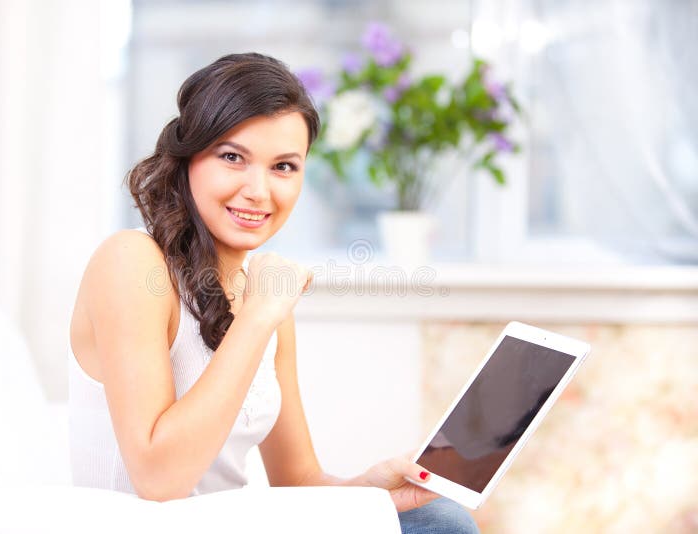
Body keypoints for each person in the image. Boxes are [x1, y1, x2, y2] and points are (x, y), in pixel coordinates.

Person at [67, 51, 479, 534]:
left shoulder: (263, 296)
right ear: (187, 158)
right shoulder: (131, 262)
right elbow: (158, 479)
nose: (258, 191)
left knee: (436, 516)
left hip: (234, 524)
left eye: (283, 166)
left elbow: (297, 481)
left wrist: (370, 488)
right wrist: (257, 318)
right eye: (232, 157)